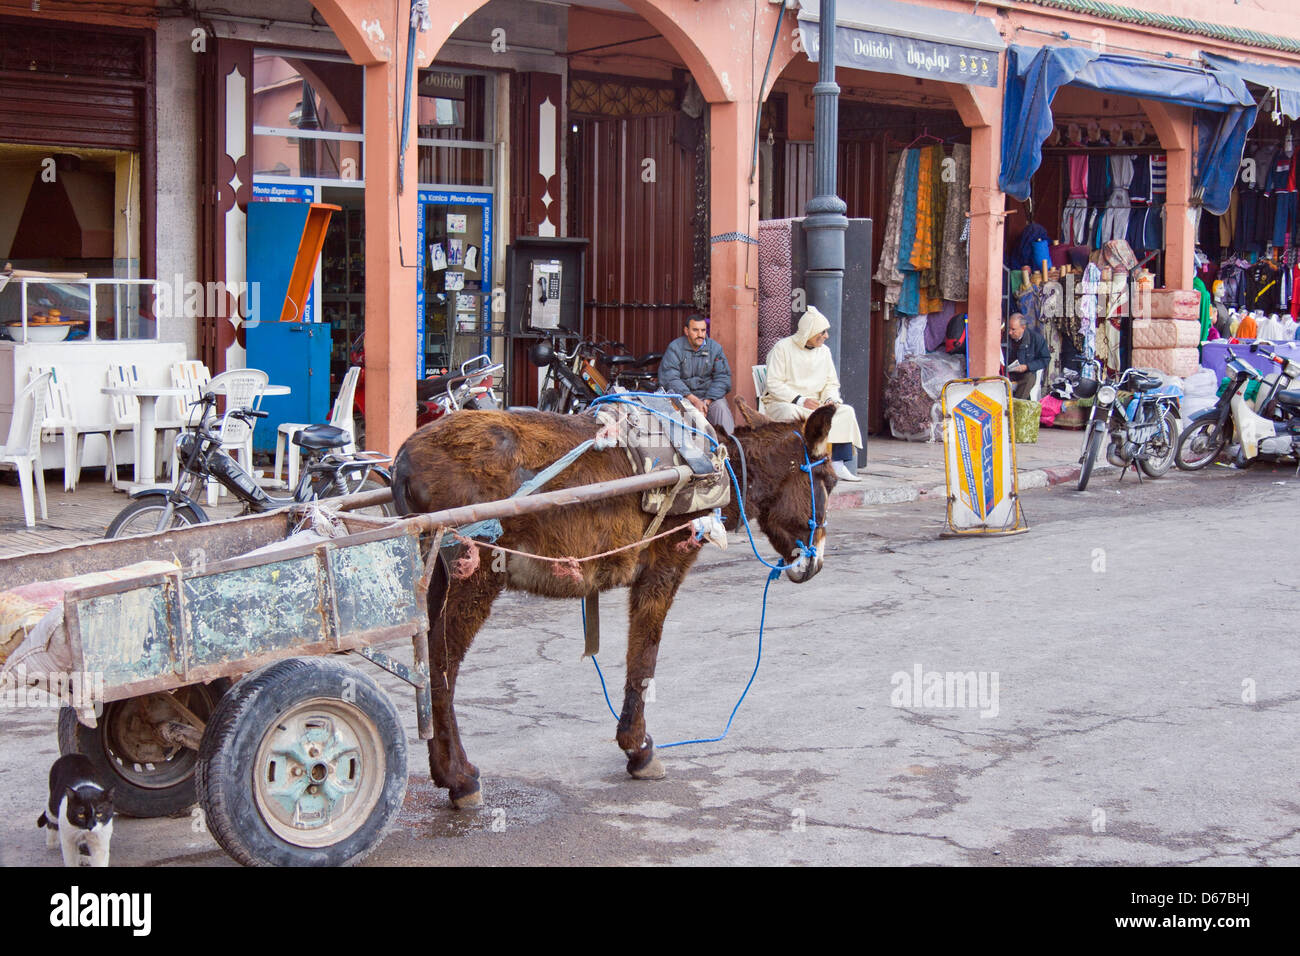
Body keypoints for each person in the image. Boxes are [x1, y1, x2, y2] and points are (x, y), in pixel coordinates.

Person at [761, 305, 864, 482]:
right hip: (786, 402)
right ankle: (796, 461)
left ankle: (837, 464)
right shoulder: (782, 348)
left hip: (817, 404)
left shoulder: (824, 352)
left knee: (845, 412)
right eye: (822, 332)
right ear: (810, 331)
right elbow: (773, 383)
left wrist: (830, 399)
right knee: (790, 413)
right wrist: (800, 400)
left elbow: (830, 382)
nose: (826, 336)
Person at [658, 313, 736, 435]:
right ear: (686, 331)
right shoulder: (675, 348)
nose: (700, 335)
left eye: (703, 330)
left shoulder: (715, 349)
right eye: (695, 330)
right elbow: (670, 378)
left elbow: (723, 378)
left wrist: (706, 402)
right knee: (685, 418)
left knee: (721, 408)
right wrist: (694, 400)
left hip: (709, 398)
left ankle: (730, 448)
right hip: (683, 397)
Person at [1005, 312, 1049, 399]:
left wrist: (1027, 366)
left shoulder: (1036, 339)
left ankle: (1016, 406)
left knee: (1029, 378)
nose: (1010, 332)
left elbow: (1045, 359)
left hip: (1025, 372)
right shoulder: (1005, 337)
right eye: (1009, 328)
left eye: (1013, 329)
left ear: (1023, 328)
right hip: (1008, 372)